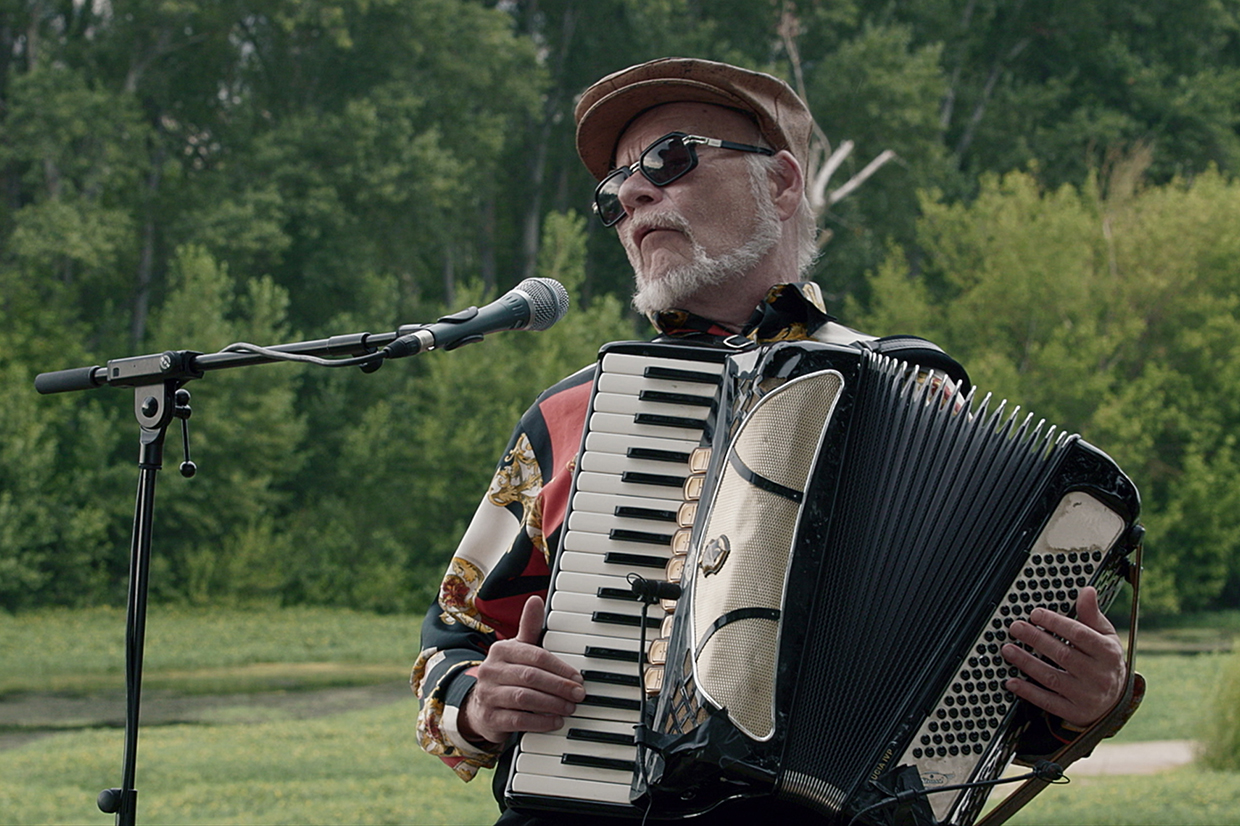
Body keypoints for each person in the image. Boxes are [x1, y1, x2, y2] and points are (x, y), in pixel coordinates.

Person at [412, 57, 1138, 825]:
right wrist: (479, 703)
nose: (632, 193)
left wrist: (1086, 697)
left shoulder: (924, 399)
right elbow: (449, 645)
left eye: (670, 157)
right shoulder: (570, 418)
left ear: (783, 183)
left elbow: (977, 703)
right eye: (614, 187)